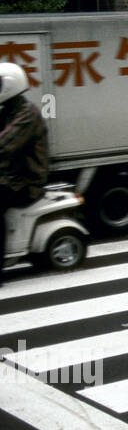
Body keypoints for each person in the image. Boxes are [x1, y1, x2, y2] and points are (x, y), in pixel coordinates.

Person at [0, 63, 50, 280]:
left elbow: (4, 145)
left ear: (9, 86)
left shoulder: (26, 114)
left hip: (25, 183)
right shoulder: (8, 110)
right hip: (10, 177)